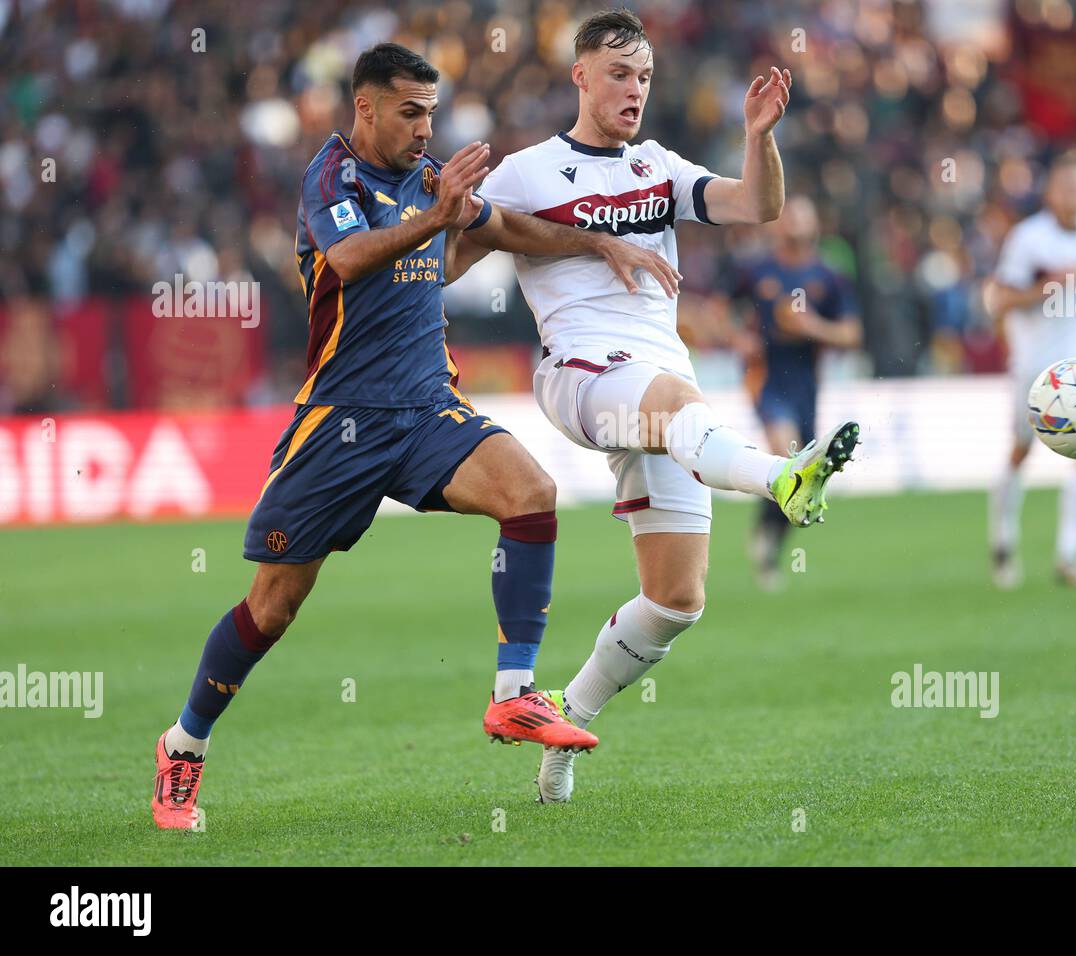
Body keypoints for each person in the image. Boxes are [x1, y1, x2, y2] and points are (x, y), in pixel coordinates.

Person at [151, 42, 682, 829]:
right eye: (408, 113)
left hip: (428, 407)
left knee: (531, 493)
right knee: (272, 608)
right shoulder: (333, 175)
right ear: (364, 108)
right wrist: (438, 217)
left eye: (430, 113)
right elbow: (348, 257)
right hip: (342, 421)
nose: (423, 129)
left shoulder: (436, 183)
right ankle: (183, 746)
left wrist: (596, 242)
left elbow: (504, 227)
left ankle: (514, 696)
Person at [452, 9, 860, 804]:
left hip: (661, 384)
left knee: (677, 601)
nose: (634, 88)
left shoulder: (659, 167)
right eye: (618, 74)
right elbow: (448, 257)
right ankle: (783, 476)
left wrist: (758, 134)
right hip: (581, 375)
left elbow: (756, 208)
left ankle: (566, 720)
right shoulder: (527, 171)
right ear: (581, 76)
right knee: (677, 401)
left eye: (643, 76)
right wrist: (447, 219)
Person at [987, 150, 1076, 590]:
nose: (1073, 195)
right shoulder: (1028, 239)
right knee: (1021, 450)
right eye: (1066, 187)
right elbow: (999, 300)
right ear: (1051, 191)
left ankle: (1069, 554)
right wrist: (1043, 290)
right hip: (1036, 363)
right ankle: (1003, 540)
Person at [731, 196, 863, 590]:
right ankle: (766, 547)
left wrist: (812, 327)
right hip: (767, 378)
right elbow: (720, 308)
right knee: (783, 448)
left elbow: (852, 334)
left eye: (802, 215)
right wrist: (737, 337)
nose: (794, 222)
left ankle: (767, 537)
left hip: (807, 382)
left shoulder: (830, 275)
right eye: (788, 216)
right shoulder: (758, 271)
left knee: (803, 471)